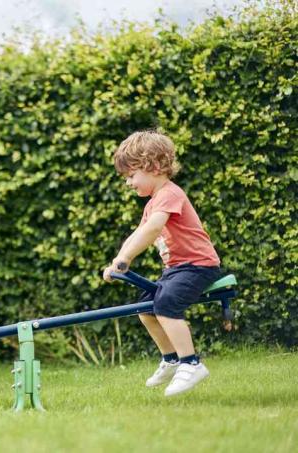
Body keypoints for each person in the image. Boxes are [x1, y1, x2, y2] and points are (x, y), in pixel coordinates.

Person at [102, 130, 221, 396]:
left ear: (153, 166)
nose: (128, 183)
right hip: (177, 269)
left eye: (131, 175)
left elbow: (152, 230)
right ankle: (171, 357)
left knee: (166, 304)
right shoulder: (153, 203)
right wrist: (117, 261)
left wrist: (126, 258)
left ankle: (191, 363)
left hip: (198, 265)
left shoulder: (170, 194)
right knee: (145, 306)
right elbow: (138, 233)